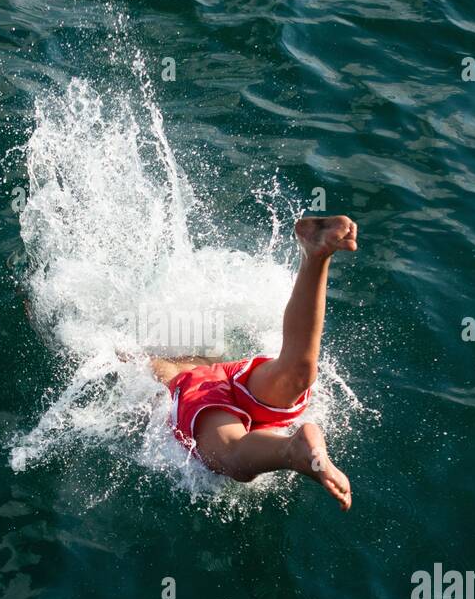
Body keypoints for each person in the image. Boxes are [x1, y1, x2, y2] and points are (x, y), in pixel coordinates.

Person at [148, 215, 356, 510]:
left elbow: (134, 385)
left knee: (233, 455)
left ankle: (291, 450)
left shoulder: (155, 363)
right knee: (297, 371)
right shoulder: (209, 353)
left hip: (193, 392)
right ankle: (316, 256)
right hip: (231, 375)